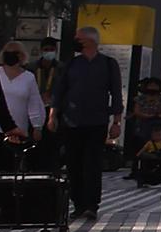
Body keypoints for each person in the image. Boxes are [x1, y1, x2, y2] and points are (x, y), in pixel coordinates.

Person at [52, 27, 122, 218]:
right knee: (73, 164)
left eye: (79, 38)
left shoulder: (108, 64)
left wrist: (116, 122)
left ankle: (92, 204)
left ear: (90, 41)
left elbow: (116, 93)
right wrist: (52, 115)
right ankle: (78, 204)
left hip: (97, 121)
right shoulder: (72, 64)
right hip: (71, 121)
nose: (75, 41)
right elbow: (59, 90)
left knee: (92, 164)